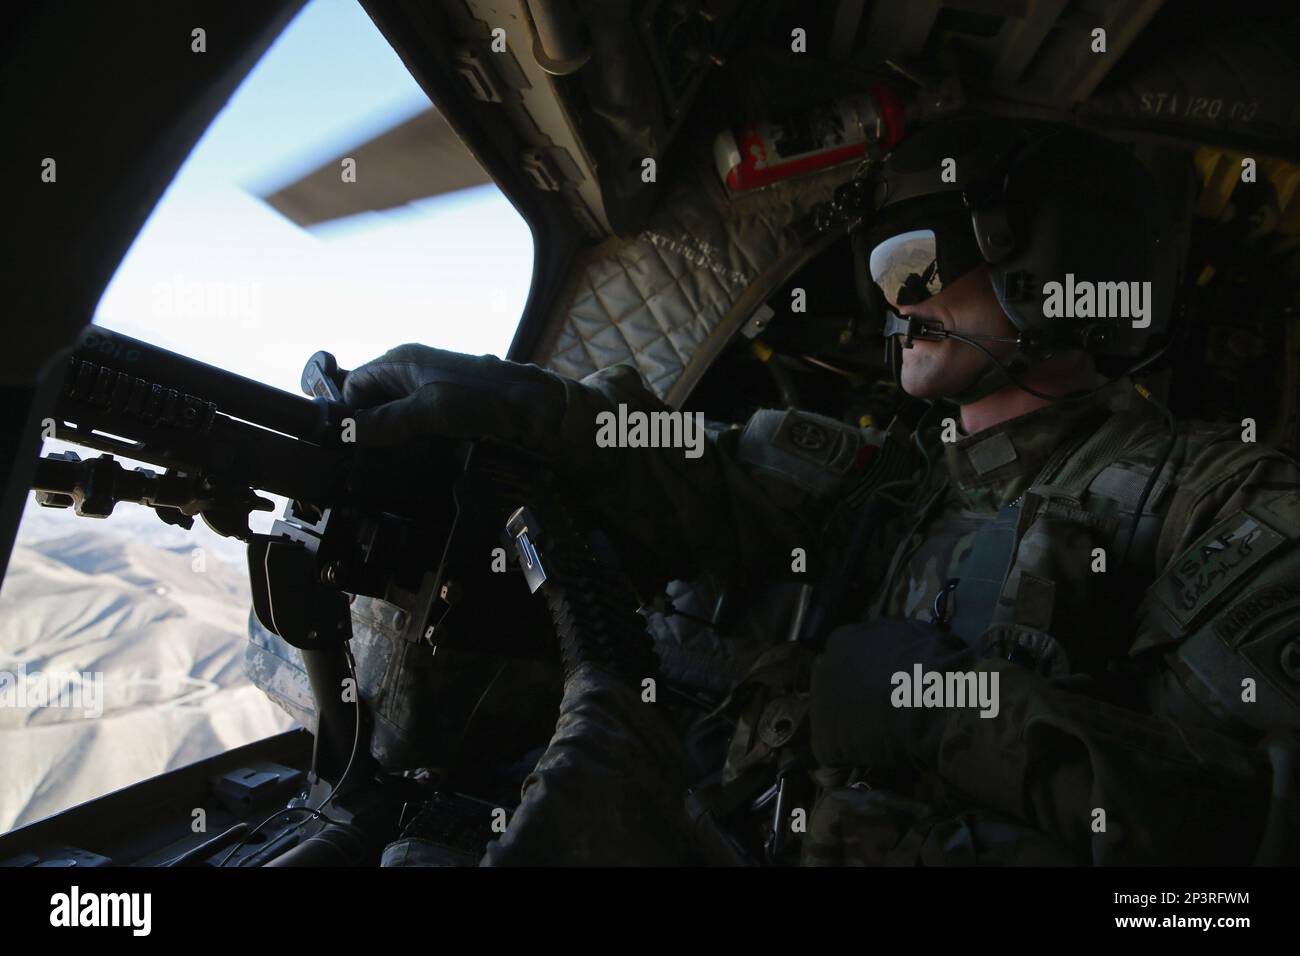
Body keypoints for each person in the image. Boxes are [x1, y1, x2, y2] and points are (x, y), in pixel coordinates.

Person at [340, 117, 1300, 865]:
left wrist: (943, 710)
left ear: (1057, 266)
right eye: (884, 271)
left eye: (919, 262)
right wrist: (524, 406)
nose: (900, 303)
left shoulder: (1213, 498)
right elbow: (703, 471)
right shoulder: (898, 484)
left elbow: (1237, 843)